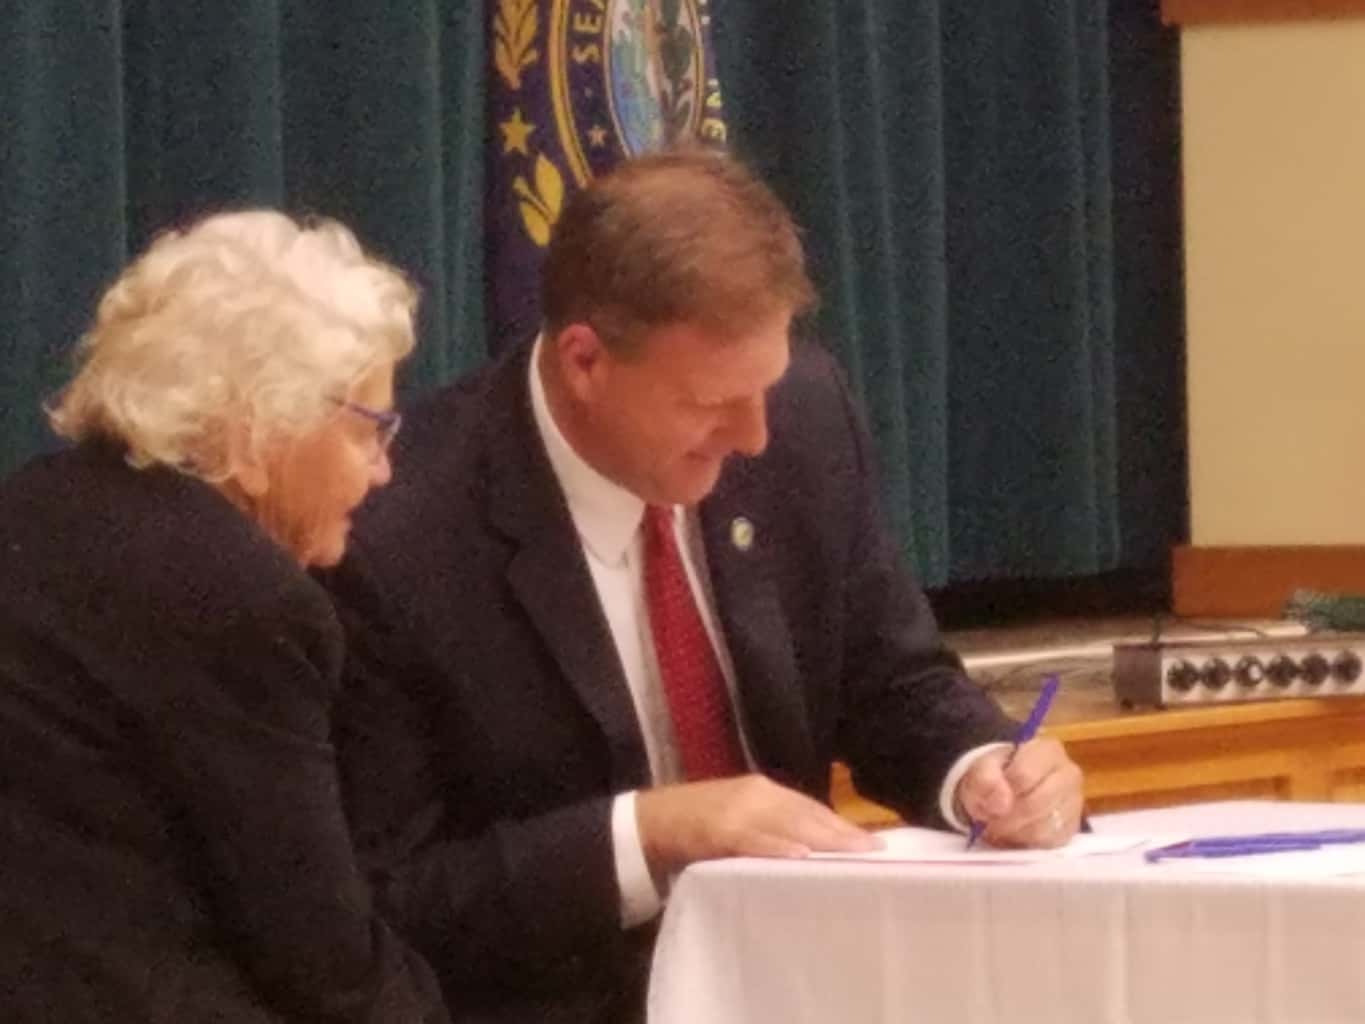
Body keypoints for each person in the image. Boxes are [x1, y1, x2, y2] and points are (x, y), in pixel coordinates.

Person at [324, 149, 1084, 1022]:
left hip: (804, 986)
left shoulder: (800, 417)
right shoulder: (400, 529)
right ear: (583, 361)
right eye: (709, 404)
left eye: (765, 387)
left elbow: (892, 679)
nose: (755, 436)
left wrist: (983, 769)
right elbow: (393, 899)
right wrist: (653, 833)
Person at [0, 211, 450, 1022]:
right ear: (259, 426)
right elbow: (324, 963)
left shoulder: (29, 505)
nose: (384, 473)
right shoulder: (244, 601)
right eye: (370, 431)